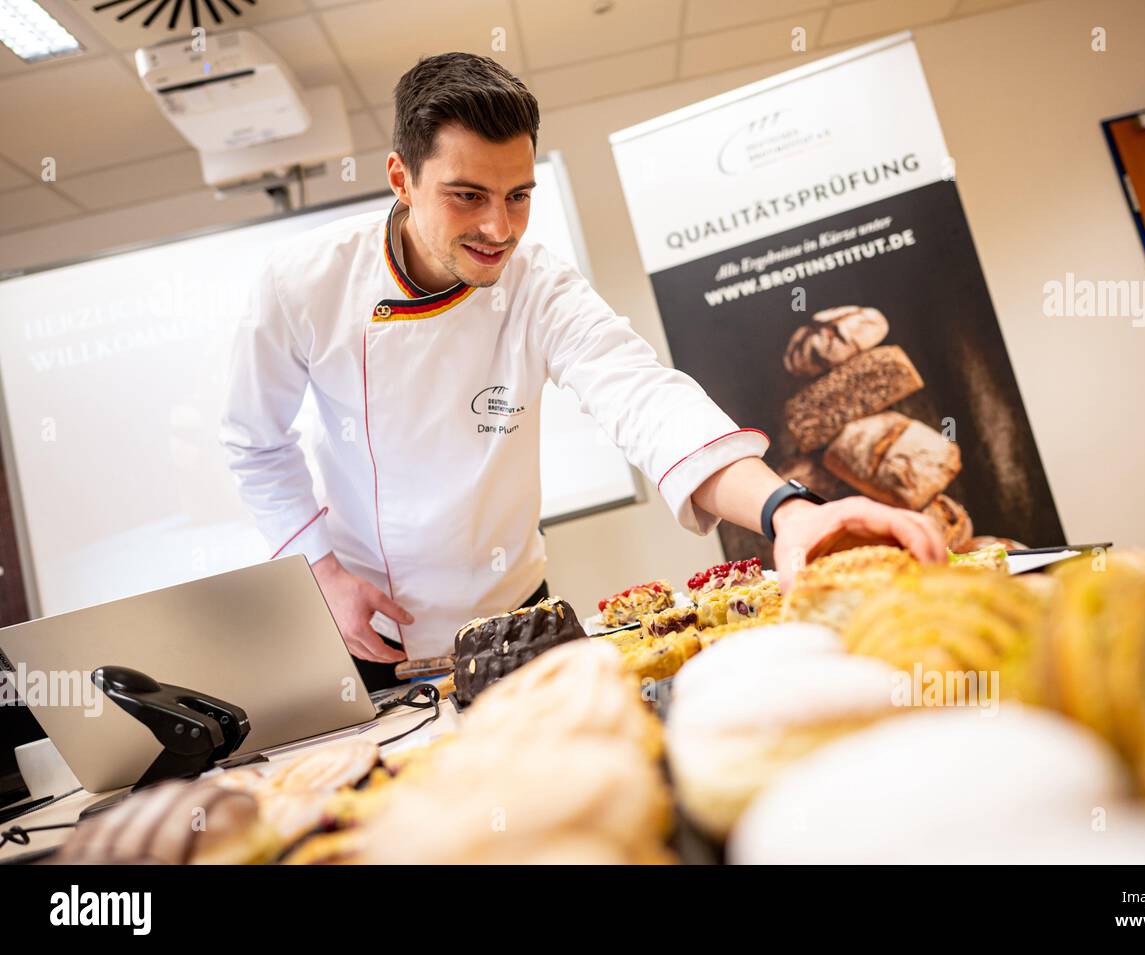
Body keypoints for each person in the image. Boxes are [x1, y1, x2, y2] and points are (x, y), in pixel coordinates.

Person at [220, 53, 944, 689]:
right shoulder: (302, 282)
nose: (499, 229)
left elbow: (645, 398)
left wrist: (790, 510)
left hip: (518, 611)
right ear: (400, 179)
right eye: (467, 195)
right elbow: (255, 443)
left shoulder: (537, 284)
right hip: (371, 627)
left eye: (518, 196)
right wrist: (321, 567)